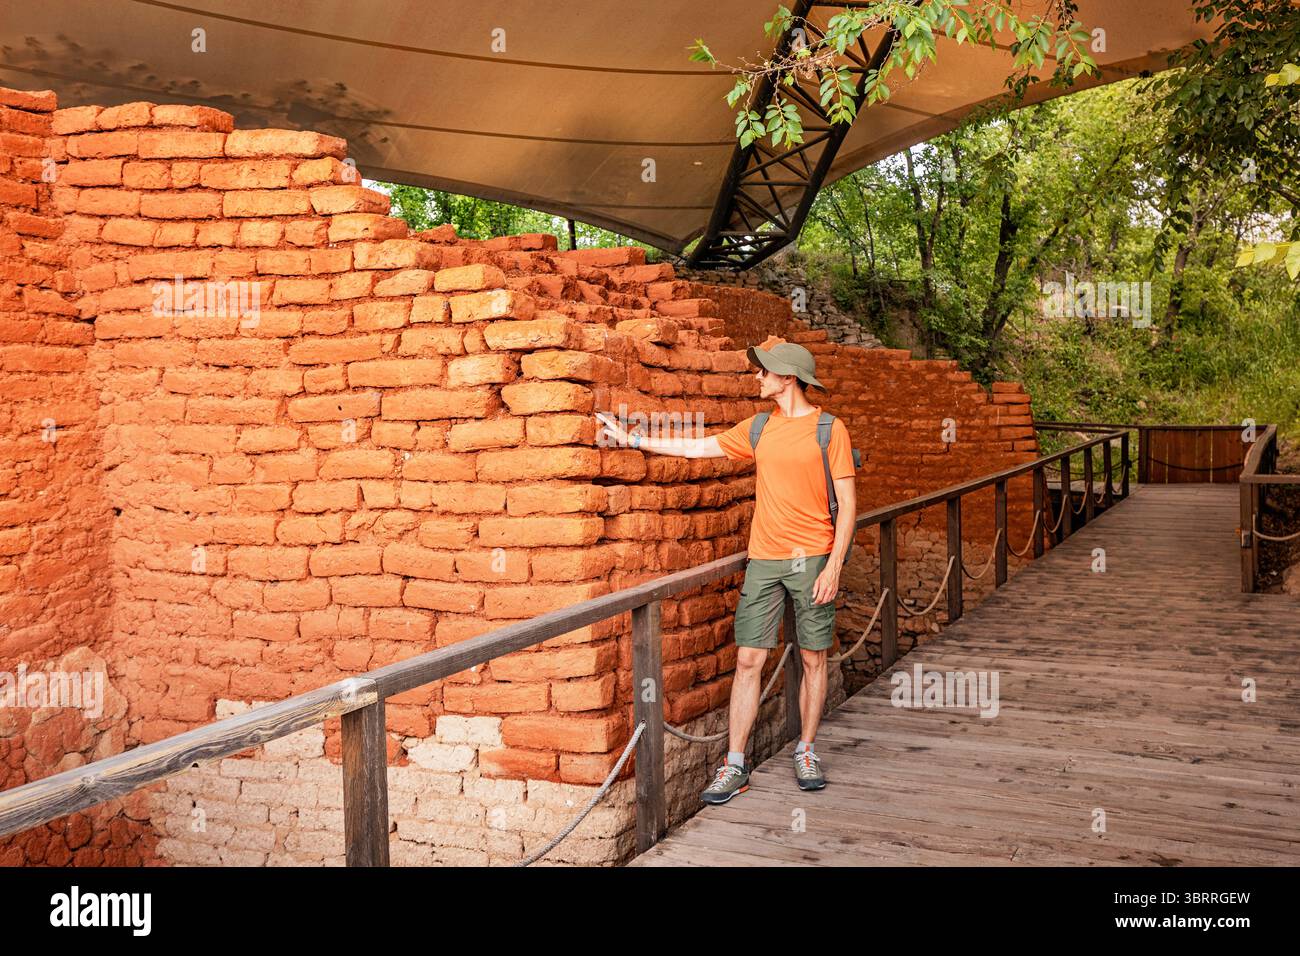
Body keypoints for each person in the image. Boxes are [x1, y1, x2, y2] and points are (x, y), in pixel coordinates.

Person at [596, 341, 857, 803]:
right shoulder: (758, 428)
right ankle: (735, 765)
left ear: (788, 379)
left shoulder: (829, 430)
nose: (757, 379)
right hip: (763, 559)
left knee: (813, 657)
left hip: (814, 557)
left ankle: (807, 749)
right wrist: (635, 439)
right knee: (748, 660)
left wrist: (834, 564)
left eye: (765, 373)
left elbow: (849, 503)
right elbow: (698, 447)